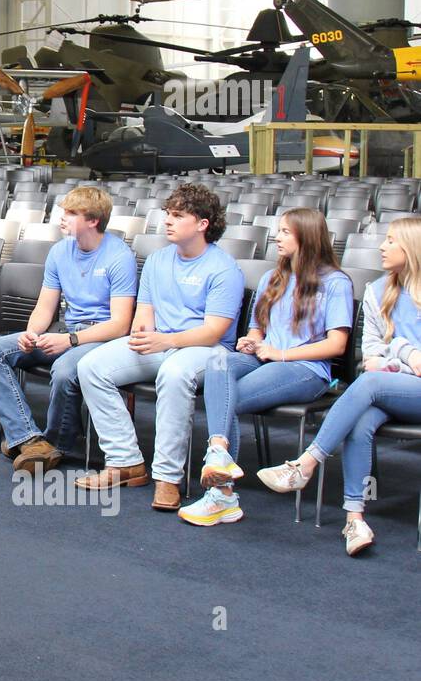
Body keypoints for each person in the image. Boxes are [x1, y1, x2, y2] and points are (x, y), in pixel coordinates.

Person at [256, 217, 421, 556]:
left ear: (413, 247)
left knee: (371, 382)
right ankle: (355, 517)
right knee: (360, 422)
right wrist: (405, 358)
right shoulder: (378, 291)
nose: (382, 246)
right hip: (392, 386)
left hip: (394, 385)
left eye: (391, 241)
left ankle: (306, 463)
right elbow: (371, 354)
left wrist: (400, 352)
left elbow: (385, 362)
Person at [75, 183, 244, 511]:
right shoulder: (157, 259)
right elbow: (145, 313)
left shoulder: (224, 268)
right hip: (162, 342)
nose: (167, 220)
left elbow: (214, 331)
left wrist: (166, 341)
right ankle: (125, 462)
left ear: (202, 224)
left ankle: (168, 478)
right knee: (91, 366)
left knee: (174, 372)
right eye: (168, 213)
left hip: (206, 351)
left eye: (178, 215)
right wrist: (141, 333)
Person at [183, 209, 352, 527]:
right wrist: (251, 340)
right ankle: (219, 455)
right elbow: (257, 328)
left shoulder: (335, 282)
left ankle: (222, 496)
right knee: (218, 360)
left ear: (307, 236)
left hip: (307, 367)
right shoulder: (272, 277)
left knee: (227, 398)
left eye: (286, 232)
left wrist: (282, 352)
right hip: (265, 356)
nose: (278, 236)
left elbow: (336, 345)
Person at [0, 186, 137, 474]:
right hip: (67, 330)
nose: (62, 219)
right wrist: (31, 333)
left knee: (64, 370)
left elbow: (120, 324)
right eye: (64, 212)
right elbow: (45, 306)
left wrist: (70, 340)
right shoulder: (60, 251)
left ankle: (57, 444)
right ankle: (28, 437)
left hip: (99, 338)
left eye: (72, 214)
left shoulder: (119, 256)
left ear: (93, 221)